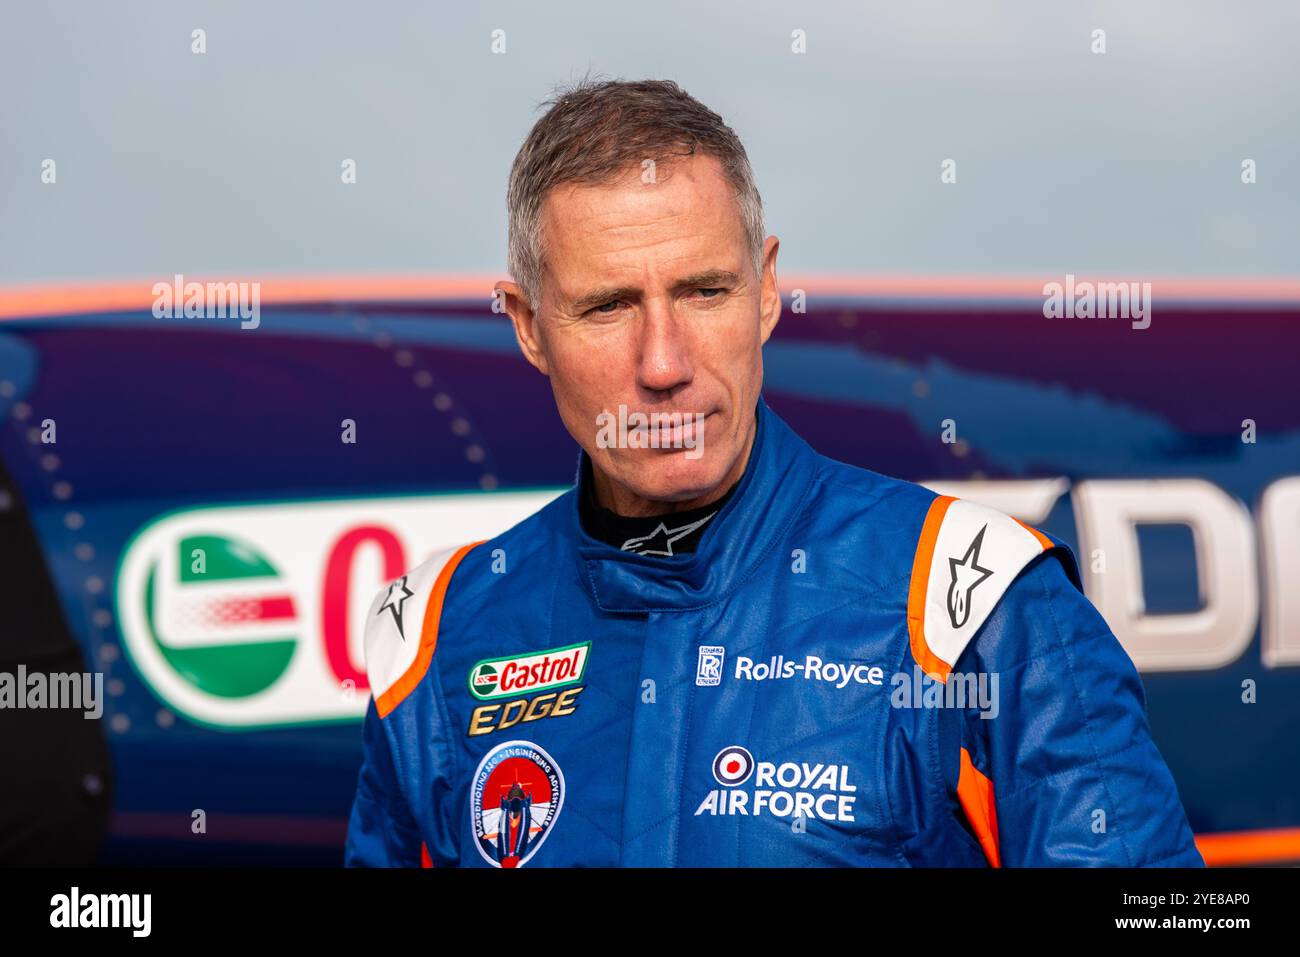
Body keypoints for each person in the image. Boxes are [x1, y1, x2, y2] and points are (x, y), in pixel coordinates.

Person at [344, 78, 1202, 868]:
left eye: (705, 292)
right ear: (529, 325)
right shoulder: (440, 635)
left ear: (766, 291)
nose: (664, 362)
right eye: (608, 306)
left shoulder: (973, 606)